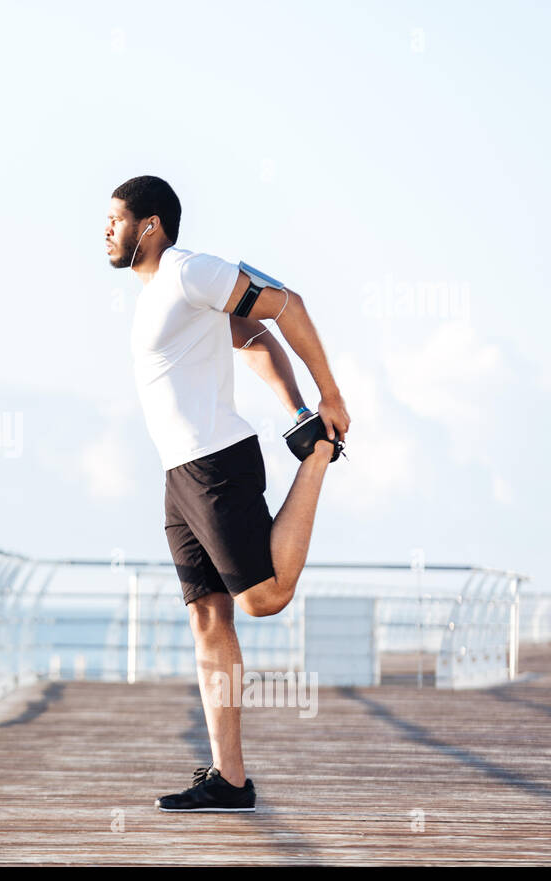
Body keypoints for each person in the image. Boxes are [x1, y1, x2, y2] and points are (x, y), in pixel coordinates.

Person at [105, 175, 350, 812]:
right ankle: (230, 779)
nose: (106, 230)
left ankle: (319, 458)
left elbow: (283, 306)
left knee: (265, 597)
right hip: (178, 476)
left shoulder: (190, 270)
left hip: (217, 463)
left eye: (116, 219)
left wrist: (325, 400)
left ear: (150, 225)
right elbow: (249, 339)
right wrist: (292, 402)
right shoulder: (158, 296)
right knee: (208, 618)